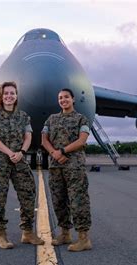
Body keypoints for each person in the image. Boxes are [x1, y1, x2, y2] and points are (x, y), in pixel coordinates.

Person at [0, 81, 44, 249]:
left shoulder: (24, 116)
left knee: (28, 194)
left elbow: (28, 136)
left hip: (19, 159)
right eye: (6, 93)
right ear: (1, 96)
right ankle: (1, 235)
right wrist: (10, 152)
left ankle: (27, 233)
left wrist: (22, 152)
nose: (9, 96)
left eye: (12, 93)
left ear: (16, 96)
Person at [41, 88, 92, 252]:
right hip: (56, 166)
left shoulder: (81, 119)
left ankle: (84, 238)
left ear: (73, 99)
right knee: (58, 200)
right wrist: (54, 153)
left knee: (78, 201)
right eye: (60, 98)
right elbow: (44, 139)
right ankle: (65, 233)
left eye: (66, 97)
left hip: (74, 165)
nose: (63, 100)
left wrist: (62, 151)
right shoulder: (51, 119)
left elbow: (82, 140)